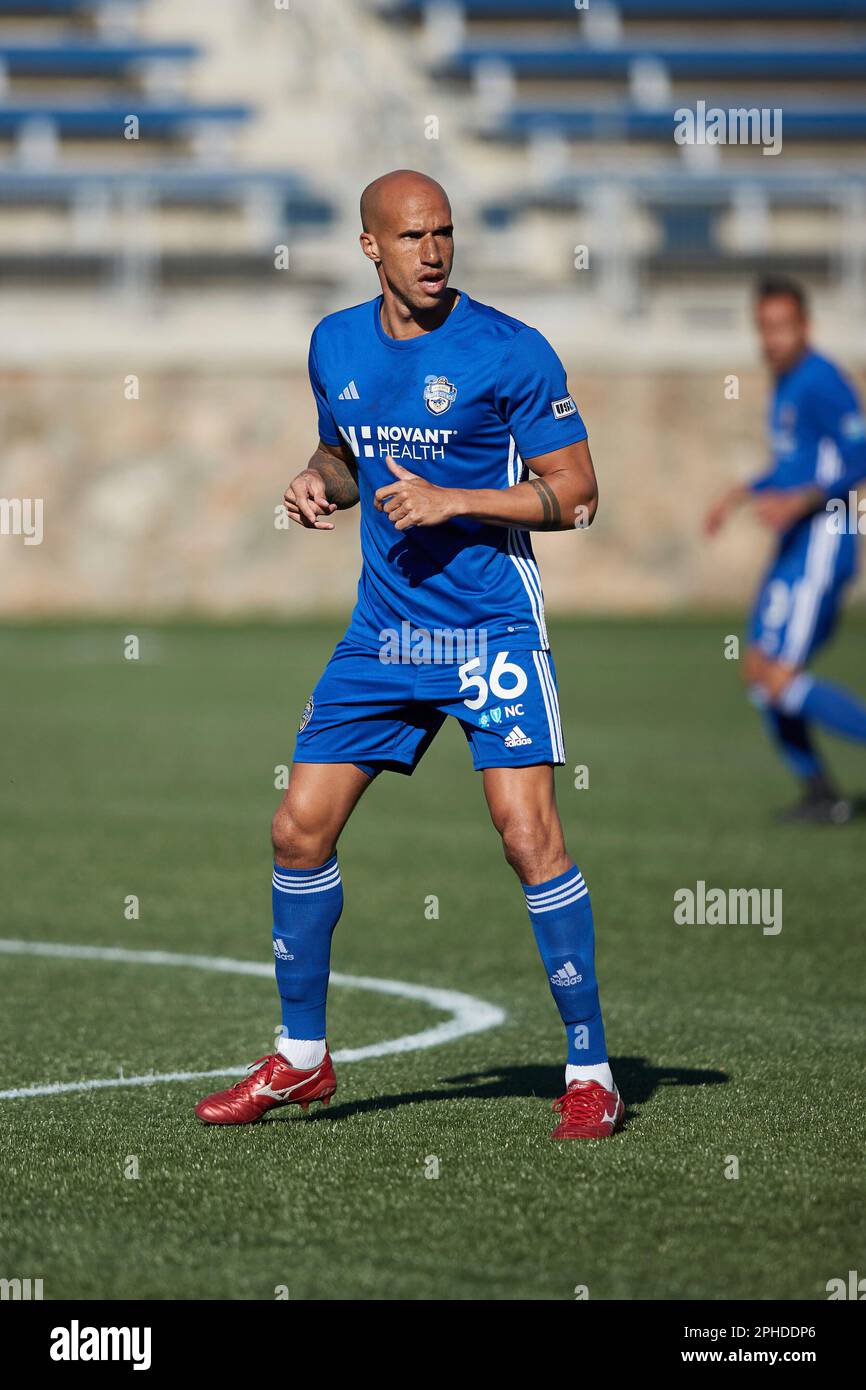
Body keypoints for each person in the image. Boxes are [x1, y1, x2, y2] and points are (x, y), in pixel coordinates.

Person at [195, 170, 622, 1139]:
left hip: (488, 631)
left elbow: (578, 494)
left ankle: (590, 1069)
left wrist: (454, 499)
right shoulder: (334, 343)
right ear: (368, 247)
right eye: (411, 236)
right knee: (296, 829)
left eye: (445, 233)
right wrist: (314, 481)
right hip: (383, 634)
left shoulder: (510, 351)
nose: (432, 253)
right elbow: (347, 456)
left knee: (527, 837)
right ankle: (301, 1059)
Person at [705, 276, 866, 822]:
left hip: (823, 543)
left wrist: (801, 502)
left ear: (805, 327)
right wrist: (743, 491)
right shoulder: (787, 383)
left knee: (775, 675)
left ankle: (825, 793)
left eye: (782, 326)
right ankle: (823, 795)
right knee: (759, 674)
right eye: (764, 327)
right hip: (795, 548)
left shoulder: (823, 380)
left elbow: (858, 455)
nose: (771, 338)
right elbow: (795, 463)